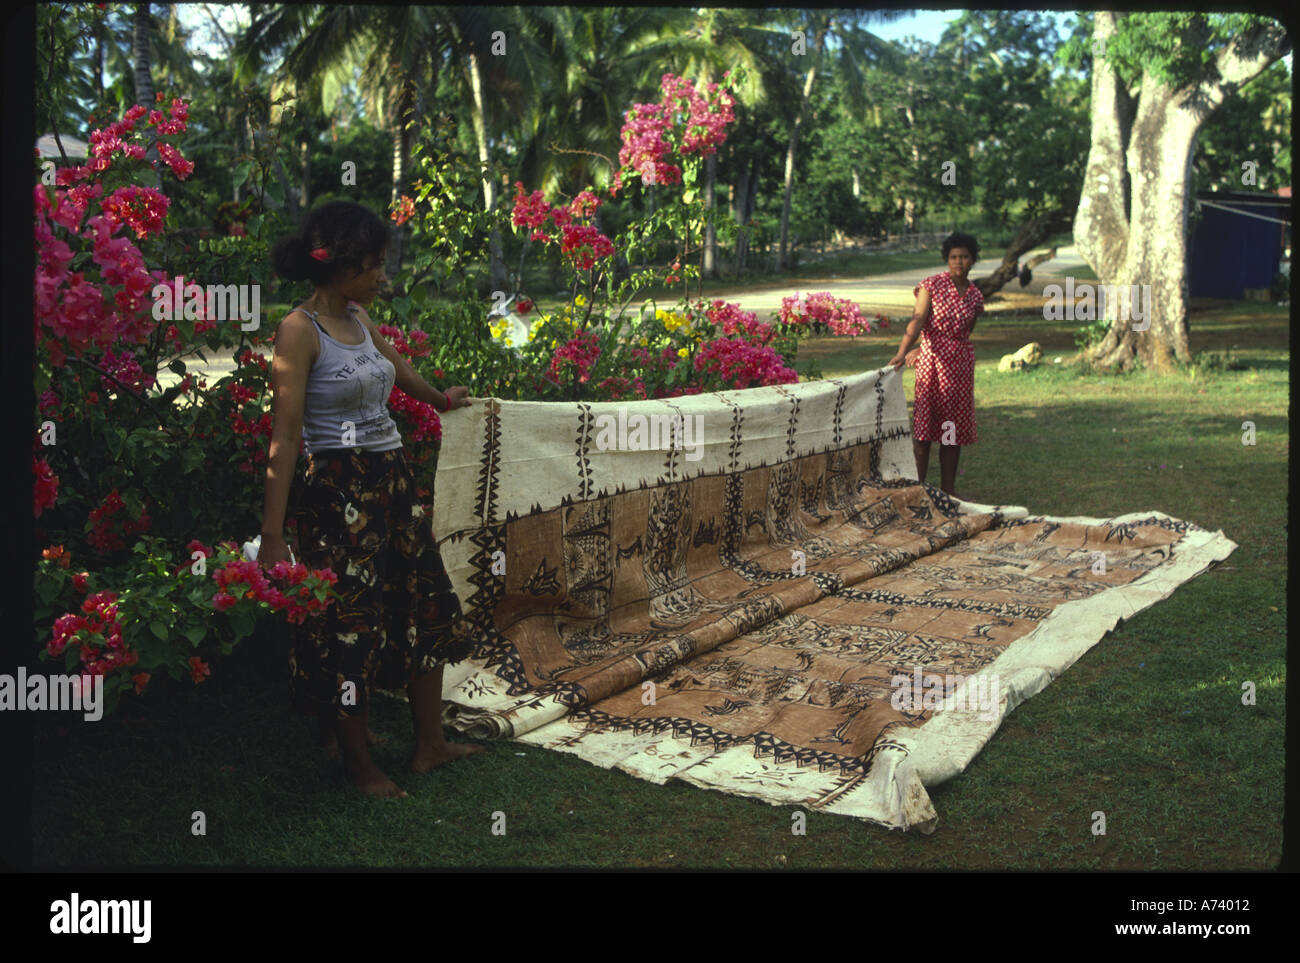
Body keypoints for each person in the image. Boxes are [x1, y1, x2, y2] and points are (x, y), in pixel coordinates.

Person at [261, 200, 482, 797]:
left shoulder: (357, 317)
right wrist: (274, 534)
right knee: (348, 628)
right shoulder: (298, 331)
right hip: (337, 497)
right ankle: (358, 766)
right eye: (375, 265)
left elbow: (394, 368)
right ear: (342, 266)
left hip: (392, 483)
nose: (384, 275)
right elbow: (285, 436)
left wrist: (440, 398)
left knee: (425, 602)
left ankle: (429, 745)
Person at [888, 232, 984, 498]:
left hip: (961, 366)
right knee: (925, 427)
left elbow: (965, 331)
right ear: (947, 259)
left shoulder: (975, 296)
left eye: (964, 257)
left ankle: (948, 490)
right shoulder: (931, 285)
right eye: (954, 257)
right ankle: (918, 488)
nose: (959, 262)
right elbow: (918, 320)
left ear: (972, 260)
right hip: (933, 363)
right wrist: (904, 351)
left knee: (950, 428)